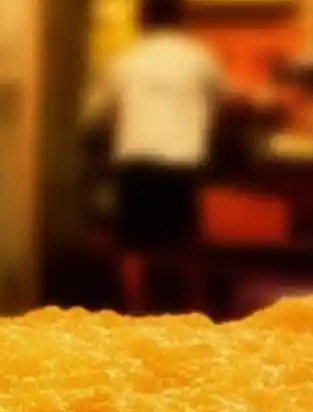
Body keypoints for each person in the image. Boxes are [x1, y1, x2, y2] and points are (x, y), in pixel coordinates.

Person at [83, 0, 225, 314]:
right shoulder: (200, 59)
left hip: (137, 157)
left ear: (143, 21)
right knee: (186, 241)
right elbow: (222, 103)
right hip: (184, 160)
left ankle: (136, 309)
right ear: (181, 19)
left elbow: (96, 115)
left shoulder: (127, 61)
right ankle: (193, 307)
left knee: (133, 243)